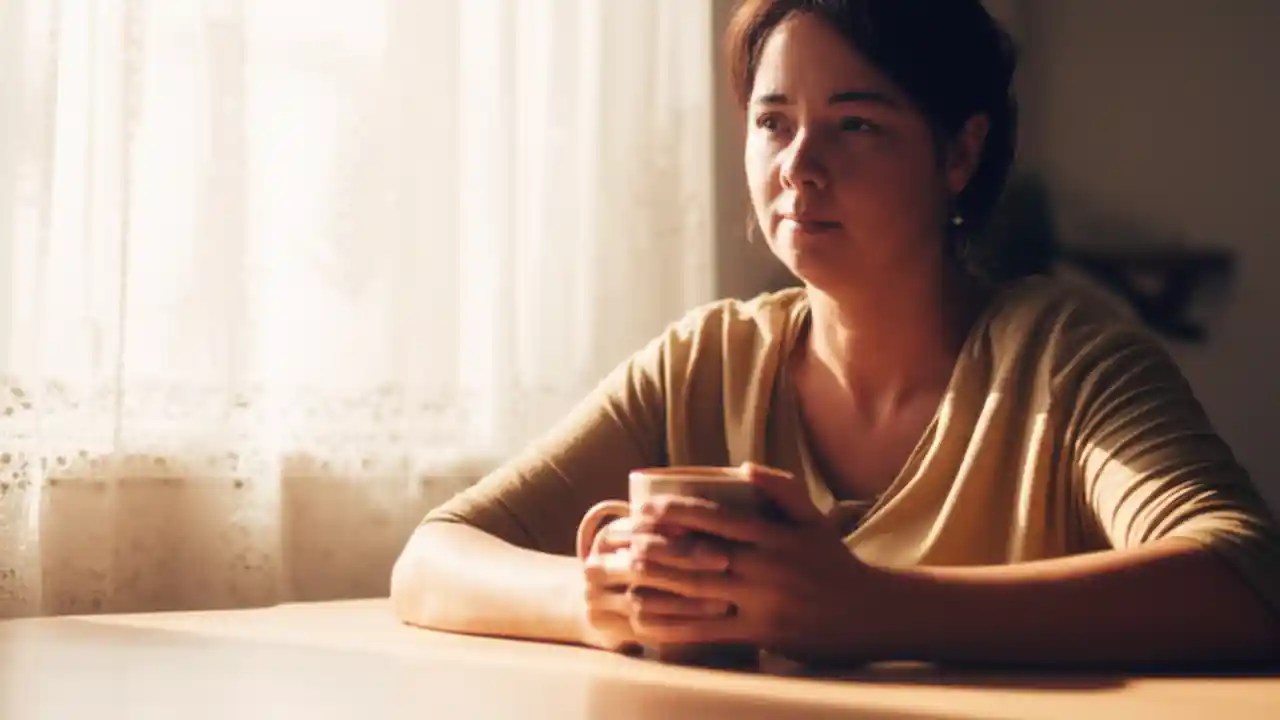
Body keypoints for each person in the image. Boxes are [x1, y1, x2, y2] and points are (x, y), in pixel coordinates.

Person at [390, 0, 1280, 667]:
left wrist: (869, 610)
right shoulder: (705, 361)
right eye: (773, 123)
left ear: (960, 155)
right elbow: (432, 558)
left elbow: (1243, 582)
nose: (798, 167)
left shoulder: (1067, 363)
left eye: (856, 125)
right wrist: (600, 599)